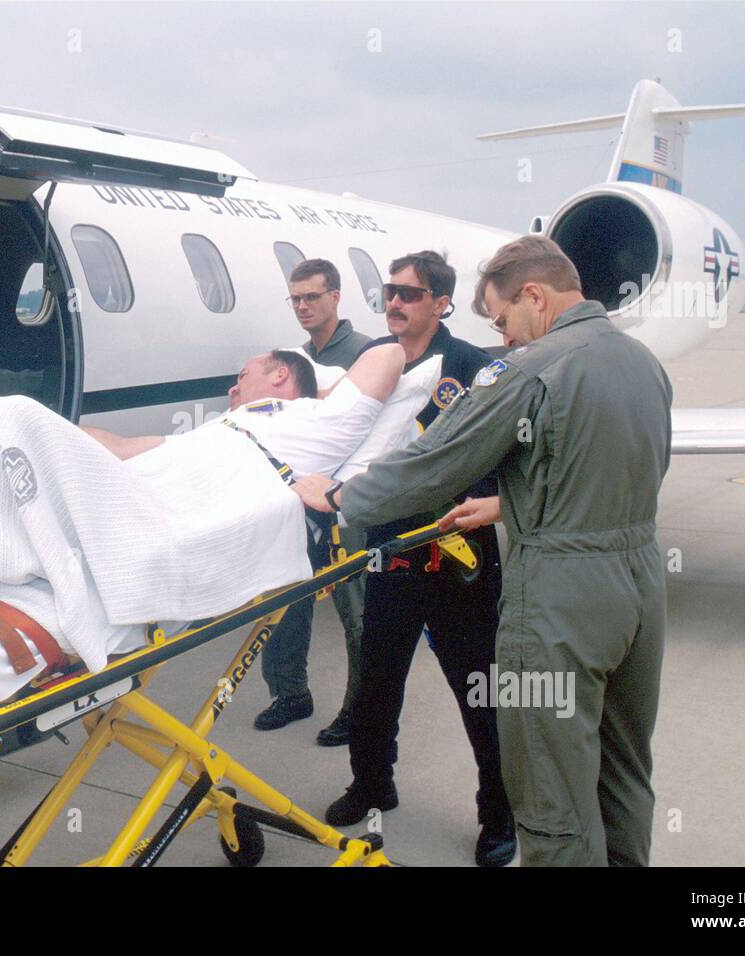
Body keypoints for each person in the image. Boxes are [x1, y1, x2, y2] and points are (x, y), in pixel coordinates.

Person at [296, 236, 673, 867]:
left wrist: (340, 497)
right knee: (623, 772)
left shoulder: (528, 370)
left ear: (534, 295)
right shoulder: (641, 362)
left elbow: (435, 465)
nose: (505, 337)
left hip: (562, 596)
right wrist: (513, 503)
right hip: (638, 588)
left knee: (551, 794)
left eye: (504, 320)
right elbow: (611, 467)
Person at [303, 250, 516, 867]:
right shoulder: (376, 365)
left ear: (442, 303)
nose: (394, 303)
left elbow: (514, 455)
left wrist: (491, 503)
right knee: (375, 683)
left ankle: (498, 814)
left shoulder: (480, 368)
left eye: (409, 294)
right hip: (388, 552)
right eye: (389, 293)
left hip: (458, 555)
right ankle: (373, 784)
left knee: (480, 690)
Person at [254, 259, 372, 744]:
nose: (302, 306)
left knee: (356, 610)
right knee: (284, 597)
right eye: (295, 298)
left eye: (312, 297)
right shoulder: (294, 360)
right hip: (300, 495)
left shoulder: (369, 355)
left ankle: (359, 709)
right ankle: (290, 693)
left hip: (345, 499)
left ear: (336, 297)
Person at [82, 343, 404, 473]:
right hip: (172, 464)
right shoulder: (228, 422)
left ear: (281, 376)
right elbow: (126, 449)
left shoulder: (317, 418)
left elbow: (389, 354)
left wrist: (319, 394)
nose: (232, 388)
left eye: (243, 376)